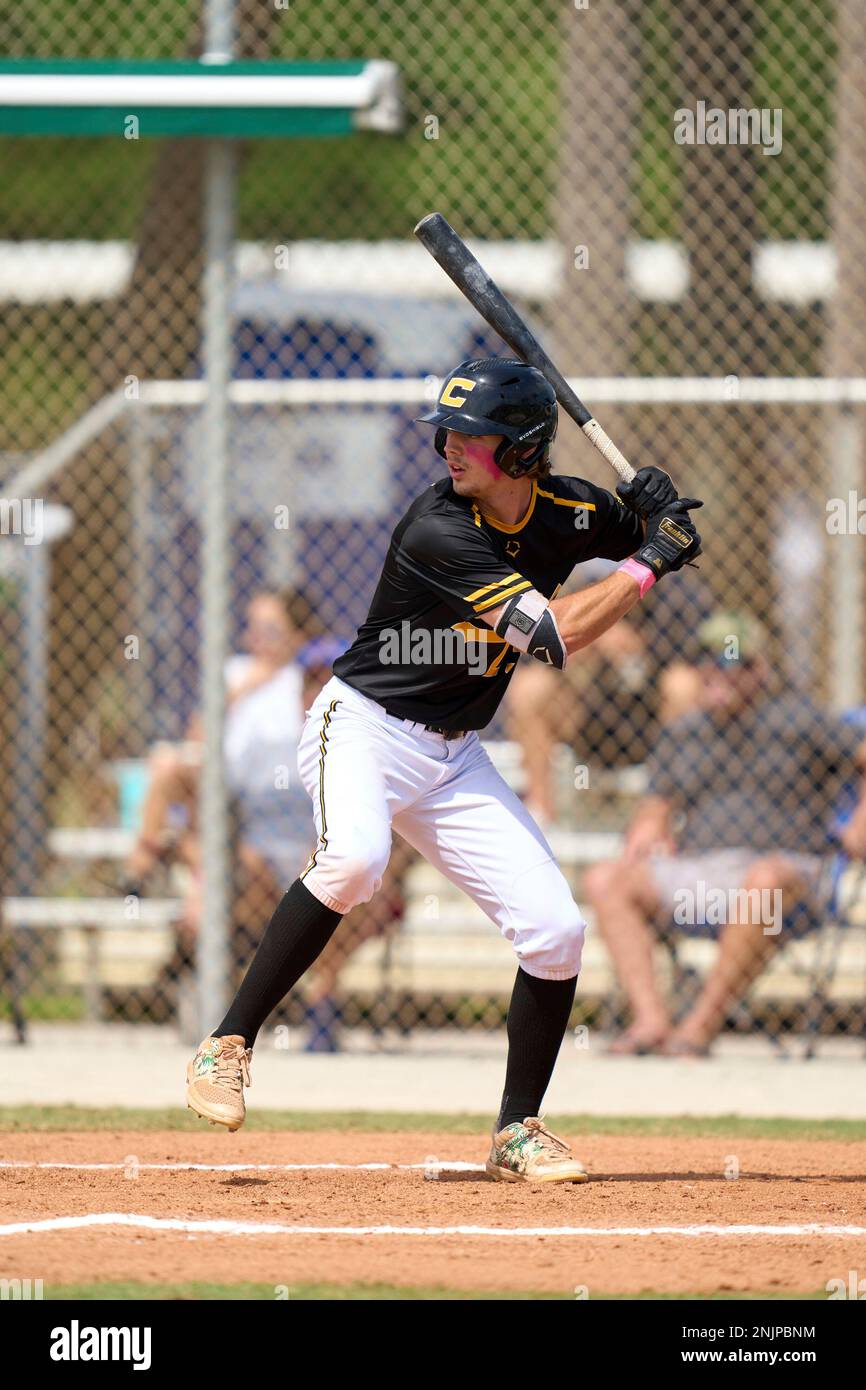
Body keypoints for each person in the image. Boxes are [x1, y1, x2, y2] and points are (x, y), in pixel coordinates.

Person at [185, 357, 701, 1182]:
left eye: (473, 435)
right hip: (364, 727)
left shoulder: (568, 508)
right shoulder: (439, 528)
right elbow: (553, 636)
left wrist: (654, 511)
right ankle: (227, 1042)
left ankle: (516, 1130)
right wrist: (649, 563)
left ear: (523, 450)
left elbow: (643, 527)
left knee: (557, 931)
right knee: (355, 860)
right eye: (448, 431)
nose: (450, 446)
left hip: (455, 757)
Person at [584, 611, 866, 1056]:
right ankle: (651, 1022)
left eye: (733, 661)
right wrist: (649, 823)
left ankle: (698, 1028)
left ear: (760, 670)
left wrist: (859, 822)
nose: (719, 671)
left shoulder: (799, 719)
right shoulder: (684, 733)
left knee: (764, 881)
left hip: (789, 876)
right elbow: (656, 804)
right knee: (606, 879)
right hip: (700, 871)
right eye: (708, 661)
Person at [123, 587, 323, 948]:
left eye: (270, 630)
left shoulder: (304, 680)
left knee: (210, 861)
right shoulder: (236, 672)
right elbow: (196, 737)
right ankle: (140, 871)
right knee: (167, 766)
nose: (258, 638)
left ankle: (197, 907)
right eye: (253, 627)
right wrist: (243, 689)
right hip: (220, 791)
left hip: (269, 807)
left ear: (297, 635)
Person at [506, 562, 711, 825]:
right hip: (583, 718)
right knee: (530, 688)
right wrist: (589, 642)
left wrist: (639, 650)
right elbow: (531, 656)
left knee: (684, 685)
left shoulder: (672, 591)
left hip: (648, 721)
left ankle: (665, 815)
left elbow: (693, 659)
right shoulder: (562, 580)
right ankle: (540, 813)